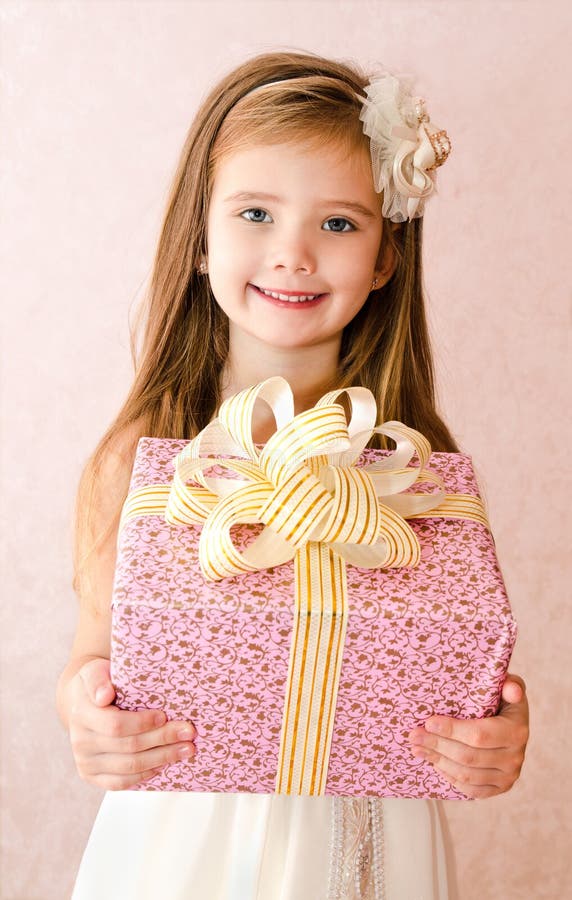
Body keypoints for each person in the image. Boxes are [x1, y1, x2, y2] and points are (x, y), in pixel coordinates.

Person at [57, 50, 529, 899]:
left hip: (373, 846)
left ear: (388, 257)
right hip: (187, 839)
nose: (294, 253)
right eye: (256, 213)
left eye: (340, 224)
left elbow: (462, 676)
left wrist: (490, 737)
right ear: (199, 239)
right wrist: (86, 715)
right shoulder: (147, 453)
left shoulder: (413, 468)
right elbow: (95, 655)